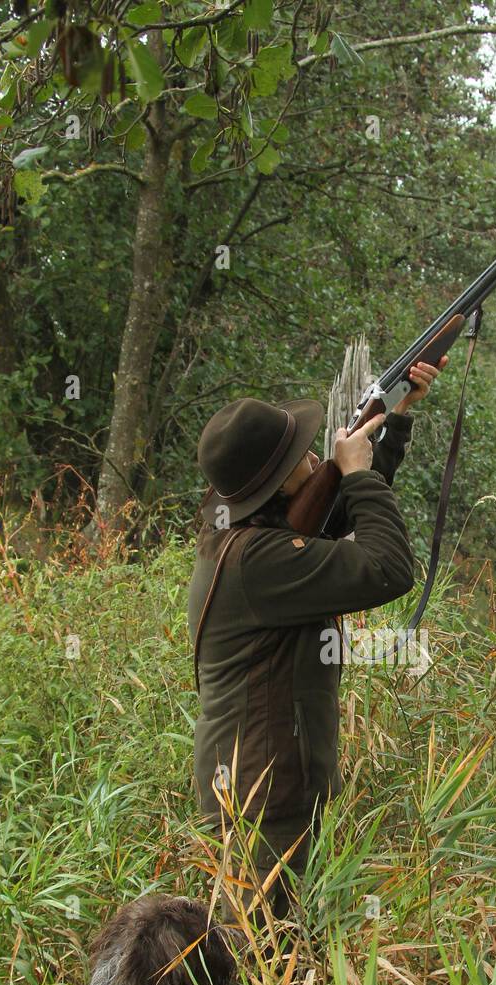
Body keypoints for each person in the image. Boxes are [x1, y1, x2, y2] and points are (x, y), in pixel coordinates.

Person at [187, 357, 447, 927]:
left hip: (260, 782)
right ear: (277, 483)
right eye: (301, 456)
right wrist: (354, 475)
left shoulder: (245, 538)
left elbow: (330, 529)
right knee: (258, 972)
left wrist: (395, 421)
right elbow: (386, 567)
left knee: (276, 958)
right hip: (262, 797)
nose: (315, 458)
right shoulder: (261, 560)